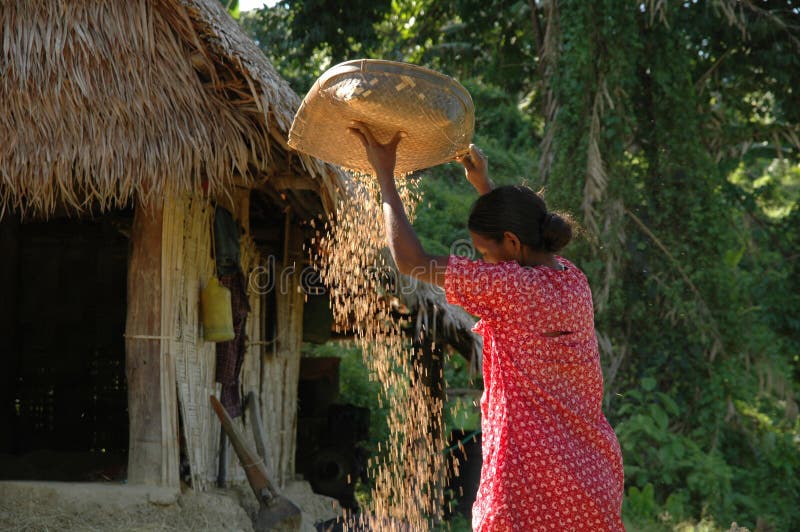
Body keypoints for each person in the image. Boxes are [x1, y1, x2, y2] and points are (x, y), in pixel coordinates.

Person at [349, 122, 625, 531]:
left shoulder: (510, 287)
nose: (483, 263)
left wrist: (385, 175)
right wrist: (485, 186)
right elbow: (514, 239)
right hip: (591, 478)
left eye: (484, 253)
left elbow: (410, 261)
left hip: (532, 481)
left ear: (512, 243)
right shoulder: (570, 277)